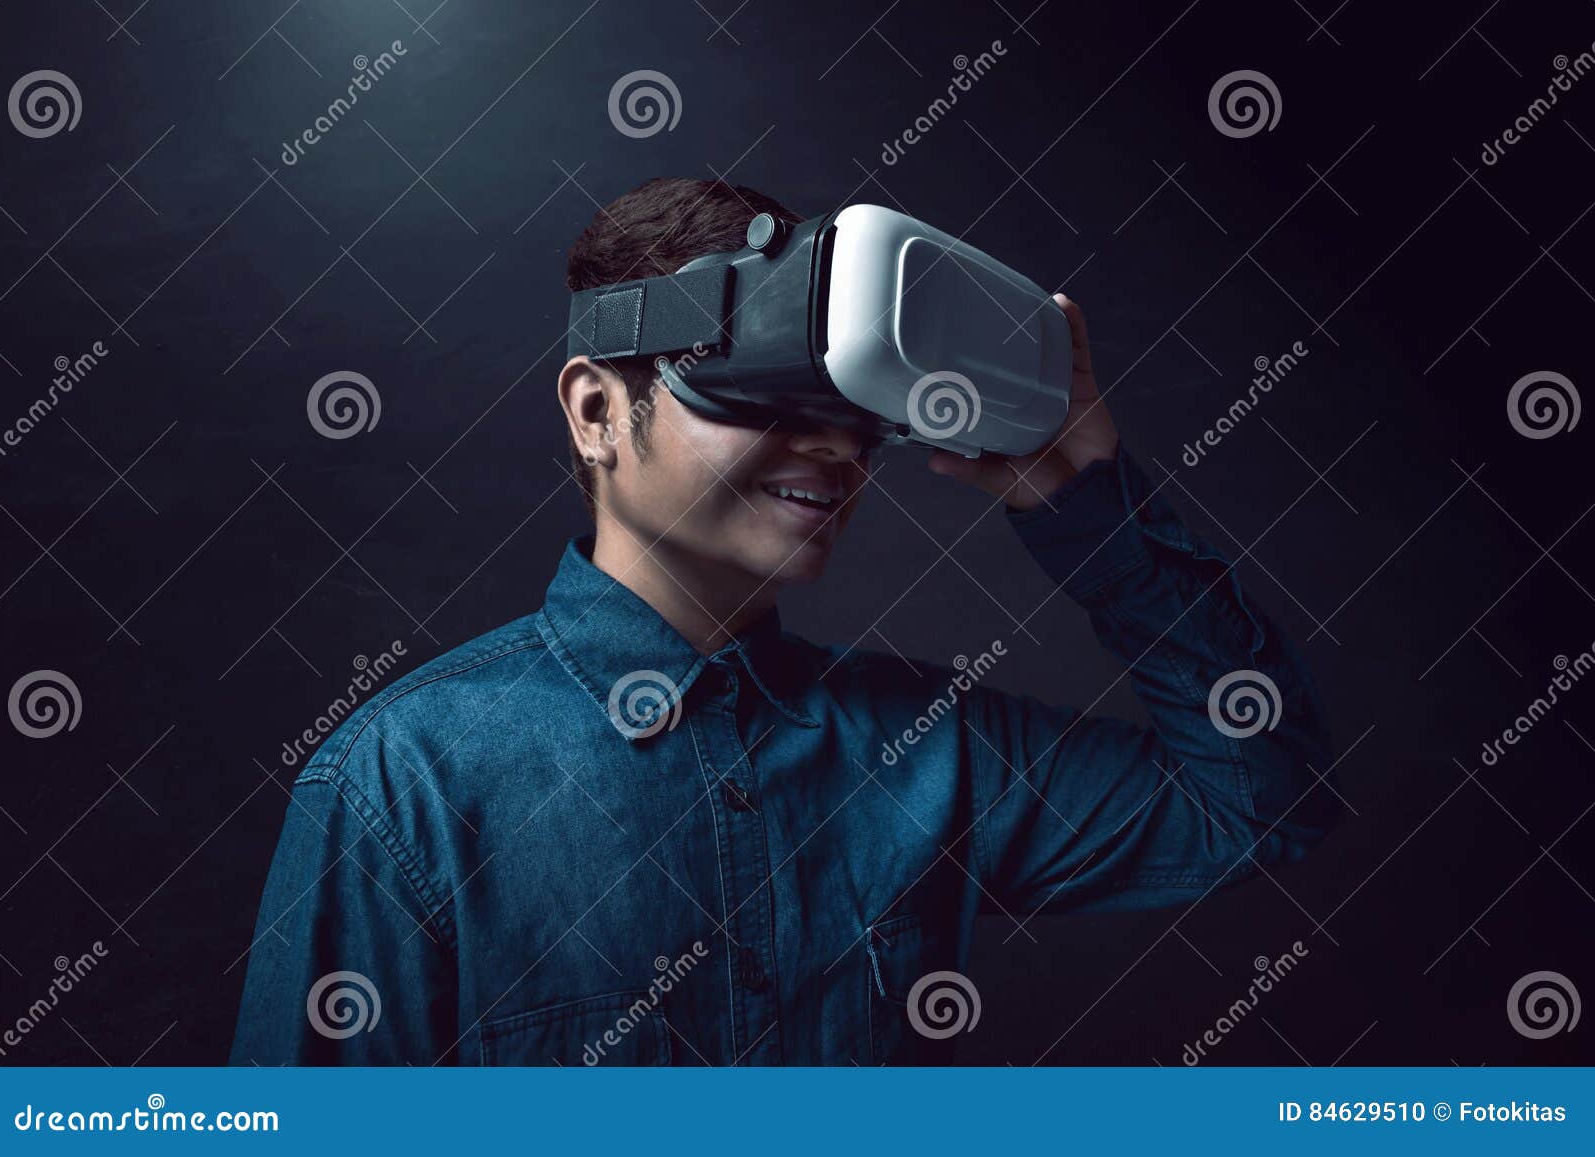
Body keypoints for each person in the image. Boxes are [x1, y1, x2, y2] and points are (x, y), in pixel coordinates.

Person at [230, 177, 1340, 1065]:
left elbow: (1257, 801)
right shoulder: (409, 779)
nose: (835, 448)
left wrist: (1085, 497)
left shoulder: (930, 746)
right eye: (763, 393)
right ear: (598, 412)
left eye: (853, 412)